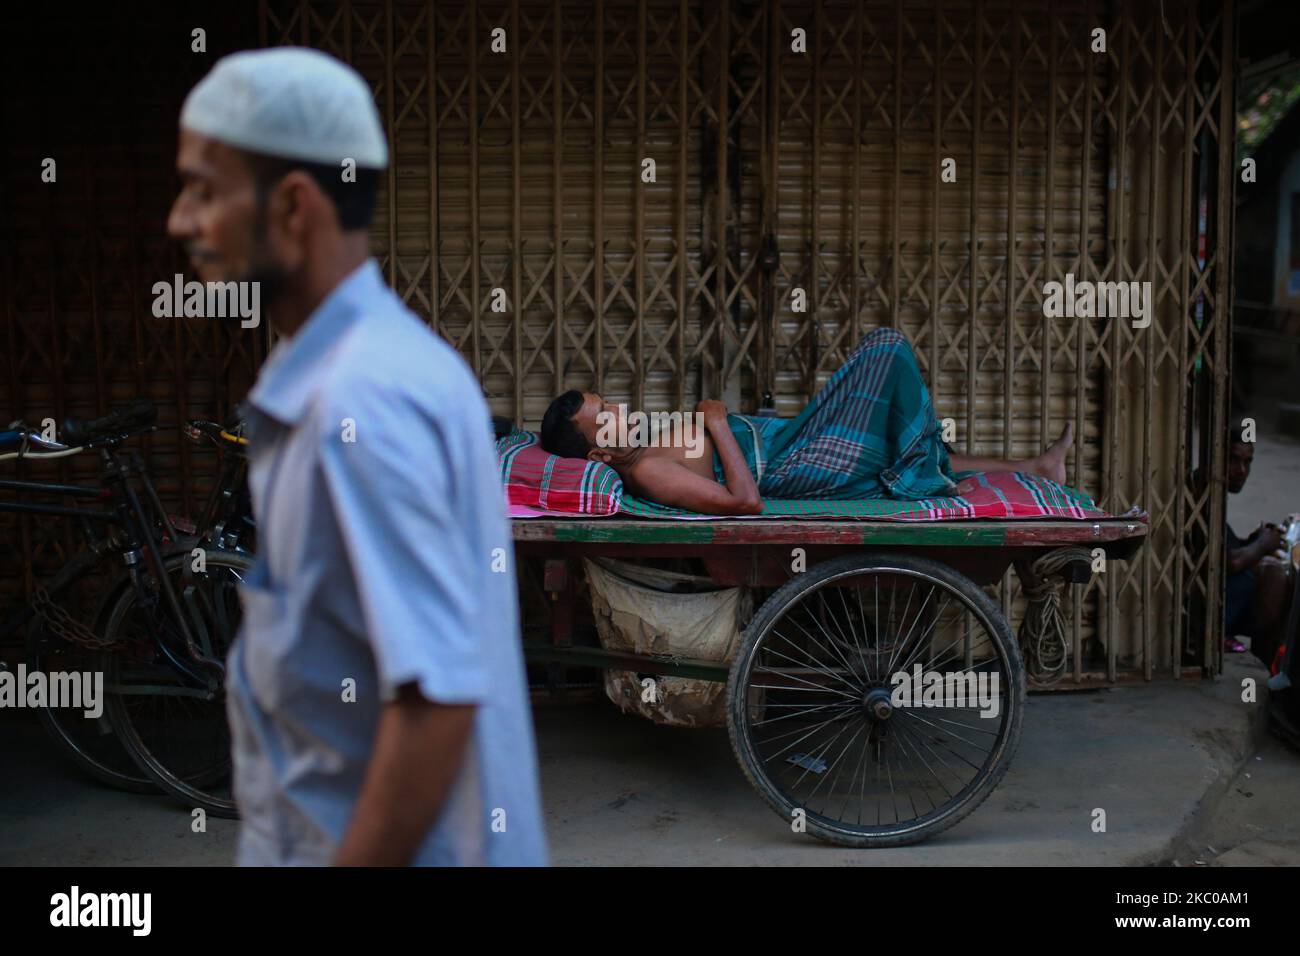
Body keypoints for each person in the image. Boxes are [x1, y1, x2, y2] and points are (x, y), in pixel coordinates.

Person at [167, 47, 546, 866]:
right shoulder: (378, 365)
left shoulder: (357, 405)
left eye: (203, 189)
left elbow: (436, 701)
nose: (180, 220)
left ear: (295, 207)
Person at [540, 327, 1074, 515]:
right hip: (789, 463)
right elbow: (745, 503)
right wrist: (718, 424)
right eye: (603, 417)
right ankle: (925, 479)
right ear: (598, 456)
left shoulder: (647, 447)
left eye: (608, 401)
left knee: (895, 444)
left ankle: (1034, 467)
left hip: (786, 440)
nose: (619, 411)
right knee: (886, 347)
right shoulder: (649, 472)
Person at [1224, 426, 1295, 666]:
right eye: (1233, 460)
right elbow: (1230, 562)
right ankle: (1266, 663)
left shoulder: (1215, 498)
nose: (1241, 471)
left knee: (1274, 567)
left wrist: (1253, 542)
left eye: (1247, 462)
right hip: (1202, 610)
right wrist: (1261, 546)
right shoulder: (1200, 497)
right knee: (1274, 575)